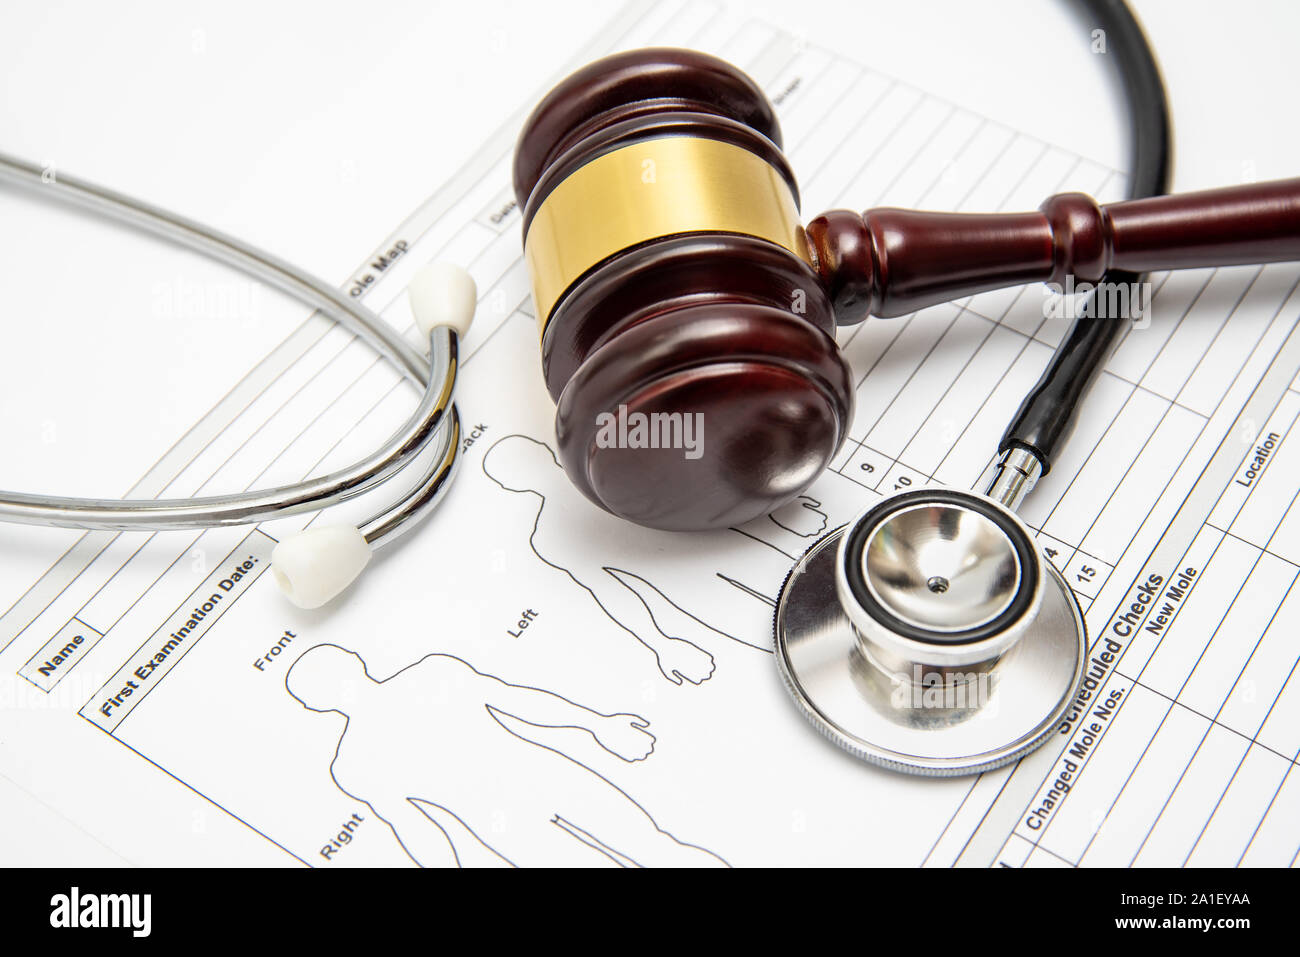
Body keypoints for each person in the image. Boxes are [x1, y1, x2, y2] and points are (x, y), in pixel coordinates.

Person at [286, 644, 727, 867]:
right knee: (661, 849)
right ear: (355, 661)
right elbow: (518, 700)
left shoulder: (353, 766)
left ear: (315, 705)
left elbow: (420, 831)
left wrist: (598, 723)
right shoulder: (430, 674)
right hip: (548, 783)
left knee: (658, 848)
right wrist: (595, 723)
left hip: (516, 823)